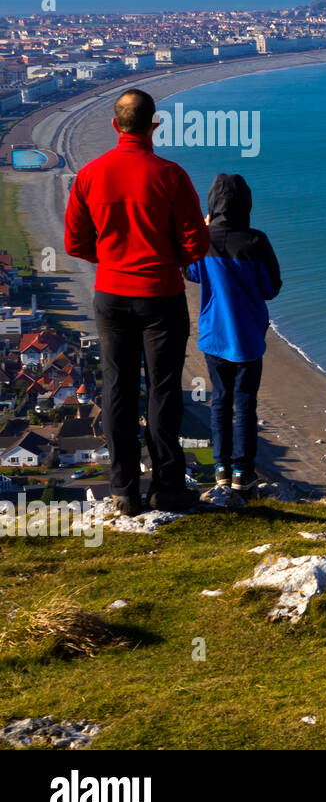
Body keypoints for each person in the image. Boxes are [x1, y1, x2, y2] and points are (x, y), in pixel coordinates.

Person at [64, 88, 210, 515]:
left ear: (115, 125)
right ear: (154, 126)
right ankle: (166, 486)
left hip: (111, 295)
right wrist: (166, 259)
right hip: (160, 295)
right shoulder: (171, 175)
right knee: (163, 392)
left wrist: (110, 259)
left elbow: (75, 242)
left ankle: (124, 490)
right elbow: (195, 244)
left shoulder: (91, 174)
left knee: (117, 389)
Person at [187, 173, 281, 494]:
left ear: (212, 204)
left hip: (214, 336)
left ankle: (221, 469)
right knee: (245, 405)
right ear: (246, 204)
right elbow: (271, 289)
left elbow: (190, 271)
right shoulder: (256, 241)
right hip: (249, 339)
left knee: (219, 403)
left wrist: (203, 227)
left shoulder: (206, 240)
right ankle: (243, 471)